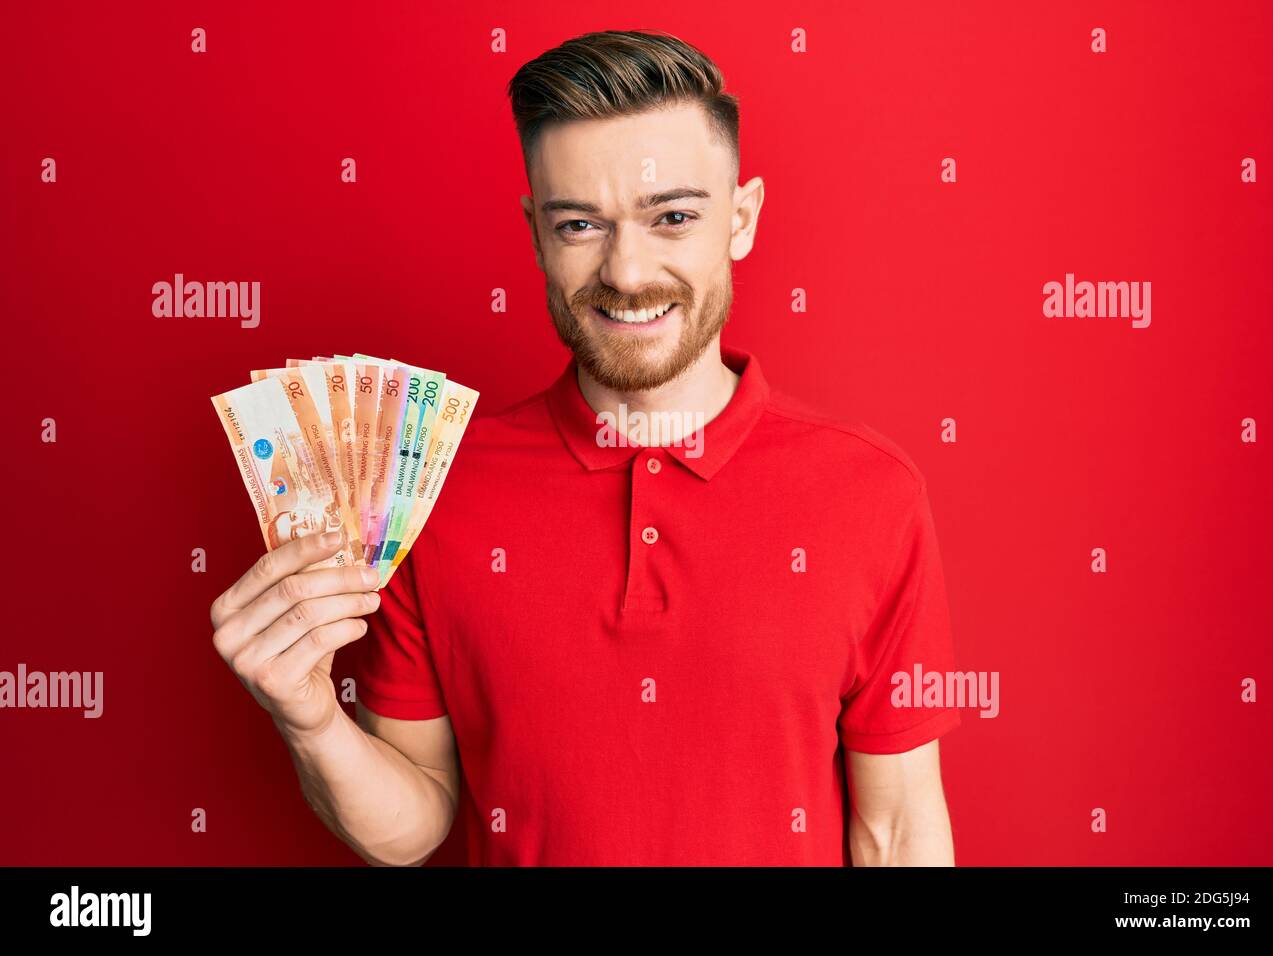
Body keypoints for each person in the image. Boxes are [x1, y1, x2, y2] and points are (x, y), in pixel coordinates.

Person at [210, 29, 961, 866]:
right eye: (581, 225)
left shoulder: (870, 493)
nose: (628, 271)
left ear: (741, 220)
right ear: (536, 233)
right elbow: (414, 824)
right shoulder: (434, 489)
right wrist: (309, 718)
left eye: (672, 217)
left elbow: (894, 832)